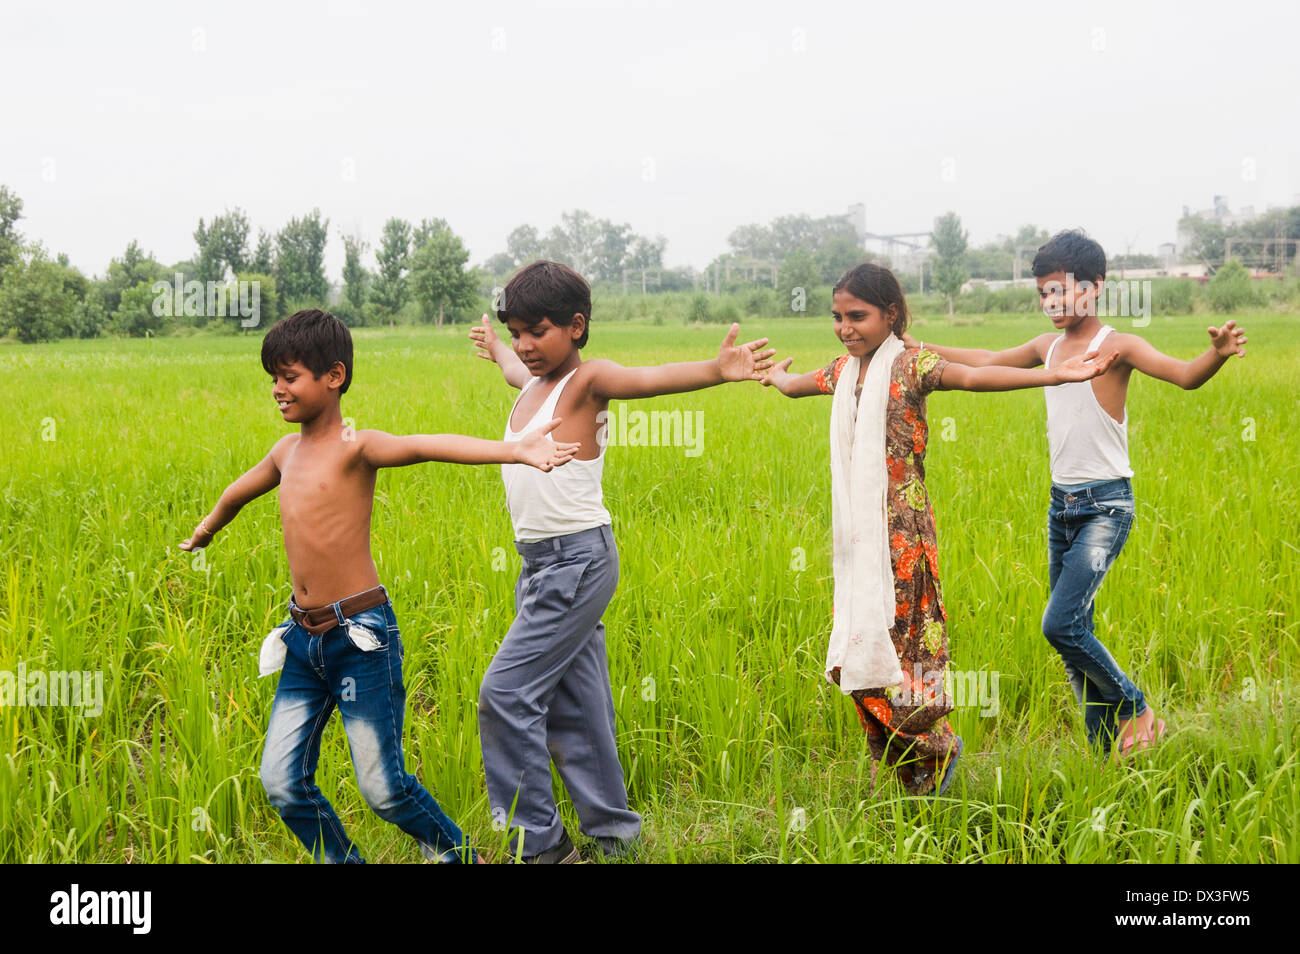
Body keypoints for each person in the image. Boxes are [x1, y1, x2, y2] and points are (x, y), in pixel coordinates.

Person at [179, 308, 578, 864]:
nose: (277, 390)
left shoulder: (356, 447)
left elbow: (426, 444)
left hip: (359, 636)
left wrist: (516, 449)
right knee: (281, 782)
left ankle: (460, 858)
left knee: (384, 790)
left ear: (333, 376)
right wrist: (207, 528)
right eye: (273, 378)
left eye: (289, 377)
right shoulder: (284, 453)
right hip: (303, 641)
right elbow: (239, 491)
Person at [762, 263, 1114, 795]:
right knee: (860, 655)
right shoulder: (842, 372)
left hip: (904, 541)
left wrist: (1054, 374)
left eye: (857, 316)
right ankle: (915, 770)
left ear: (891, 314)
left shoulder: (912, 365)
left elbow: (974, 377)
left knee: (906, 655)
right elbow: (795, 387)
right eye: (837, 317)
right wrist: (771, 376)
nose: (845, 327)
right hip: (859, 545)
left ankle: (935, 756)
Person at [469, 260, 775, 861]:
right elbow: (513, 371)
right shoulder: (531, 384)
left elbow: (650, 377)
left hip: (575, 561)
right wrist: (495, 350)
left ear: (577, 327)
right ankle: (615, 838)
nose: (525, 345)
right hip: (543, 565)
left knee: (504, 695)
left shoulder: (587, 382)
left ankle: (542, 849)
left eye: (539, 330)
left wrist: (717, 370)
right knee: (577, 705)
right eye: (515, 332)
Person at [905, 230, 1247, 757]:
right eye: (1043, 294)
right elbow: (988, 356)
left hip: (1106, 505)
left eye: (1062, 291)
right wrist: (919, 348)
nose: (1052, 303)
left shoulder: (1119, 344)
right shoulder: (1048, 347)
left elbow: (1183, 377)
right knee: (1073, 641)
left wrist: (1217, 354)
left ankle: (1134, 707)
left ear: (1095, 289)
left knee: (1059, 625)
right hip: (1061, 506)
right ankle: (1104, 751)